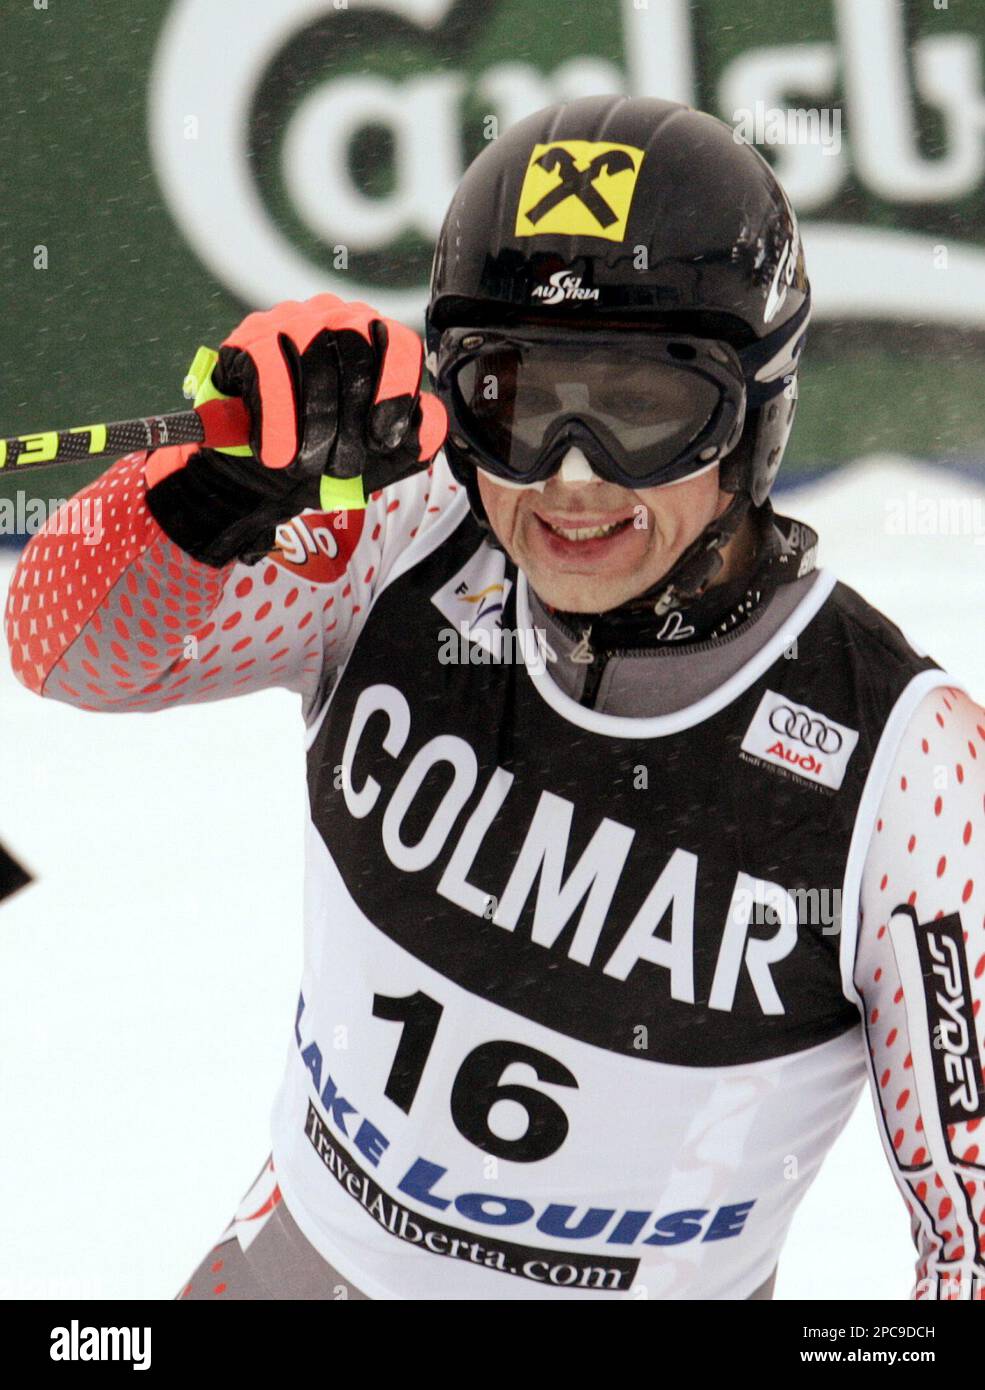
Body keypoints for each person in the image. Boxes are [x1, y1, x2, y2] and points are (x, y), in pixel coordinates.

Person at [6, 95, 984, 1302]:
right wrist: (207, 489)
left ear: (755, 417)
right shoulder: (405, 540)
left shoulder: (911, 771)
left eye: (642, 407)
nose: (571, 477)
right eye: (513, 398)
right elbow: (63, 651)